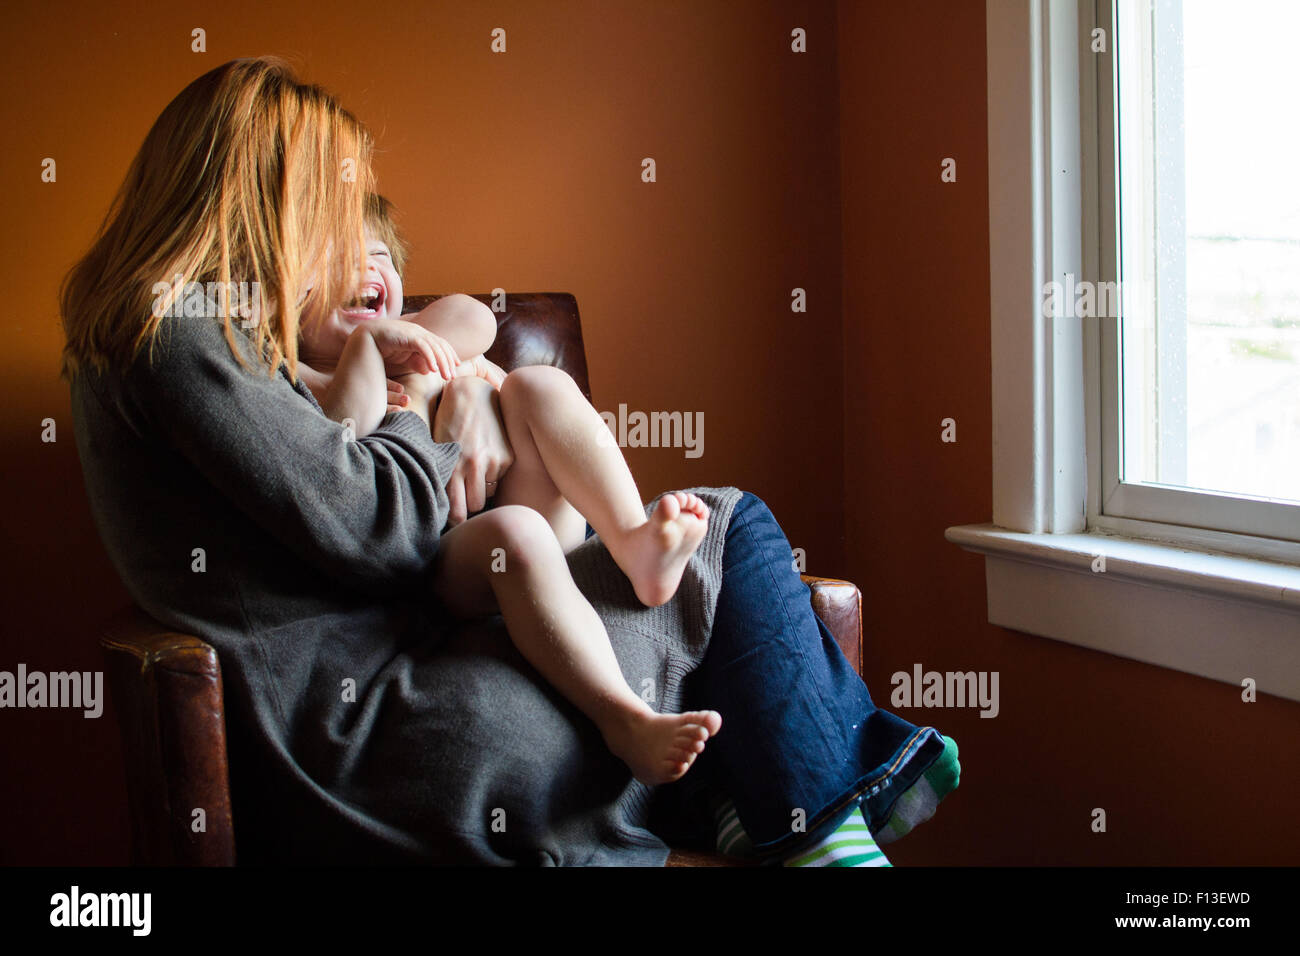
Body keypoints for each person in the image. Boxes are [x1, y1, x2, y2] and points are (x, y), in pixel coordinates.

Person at [63, 56, 960, 867]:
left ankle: (765, 813)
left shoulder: (196, 339)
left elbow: (378, 462)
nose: (343, 242)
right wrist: (430, 405)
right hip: (396, 737)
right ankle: (816, 831)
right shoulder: (179, 333)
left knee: (710, 536)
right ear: (269, 200)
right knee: (732, 529)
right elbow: (378, 529)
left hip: (431, 669)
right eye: (331, 210)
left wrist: (467, 394)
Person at [291, 194, 723, 786]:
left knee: (539, 383)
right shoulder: (297, 377)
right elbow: (348, 432)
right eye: (332, 257)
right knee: (514, 532)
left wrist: (424, 357)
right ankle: (625, 718)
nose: (364, 268)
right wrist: (372, 354)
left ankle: (635, 542)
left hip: (537, 521)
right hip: (439, 565)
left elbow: (478, 319)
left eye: (380, 256)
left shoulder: (424, 339)